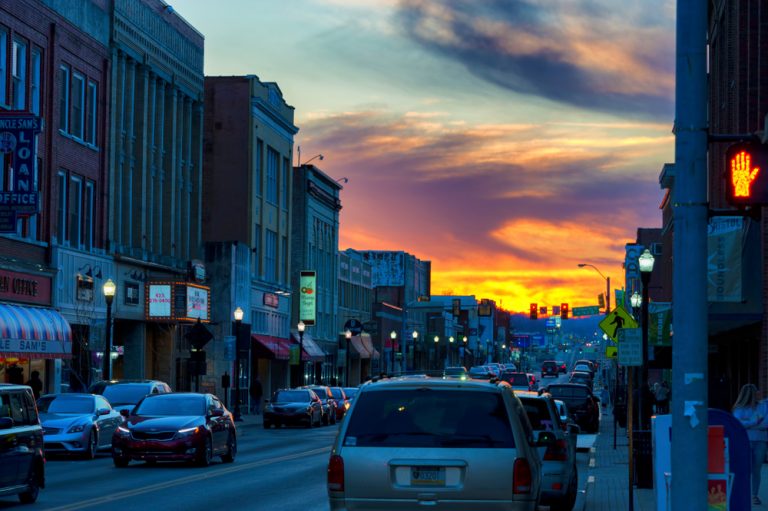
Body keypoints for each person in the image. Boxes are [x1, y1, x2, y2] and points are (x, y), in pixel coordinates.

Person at [733, 383, 767, 505]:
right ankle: (743, 492)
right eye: (756, 392)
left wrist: (748, 423)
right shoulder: (739, 408)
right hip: (744, 441)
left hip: (761, 441)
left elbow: (765, 423)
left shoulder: (763, 406)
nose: (759, 394)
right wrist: (754, 422)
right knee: (744, 468)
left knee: (756, 468)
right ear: (750, 395)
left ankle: (754, 495)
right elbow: (738, 423)